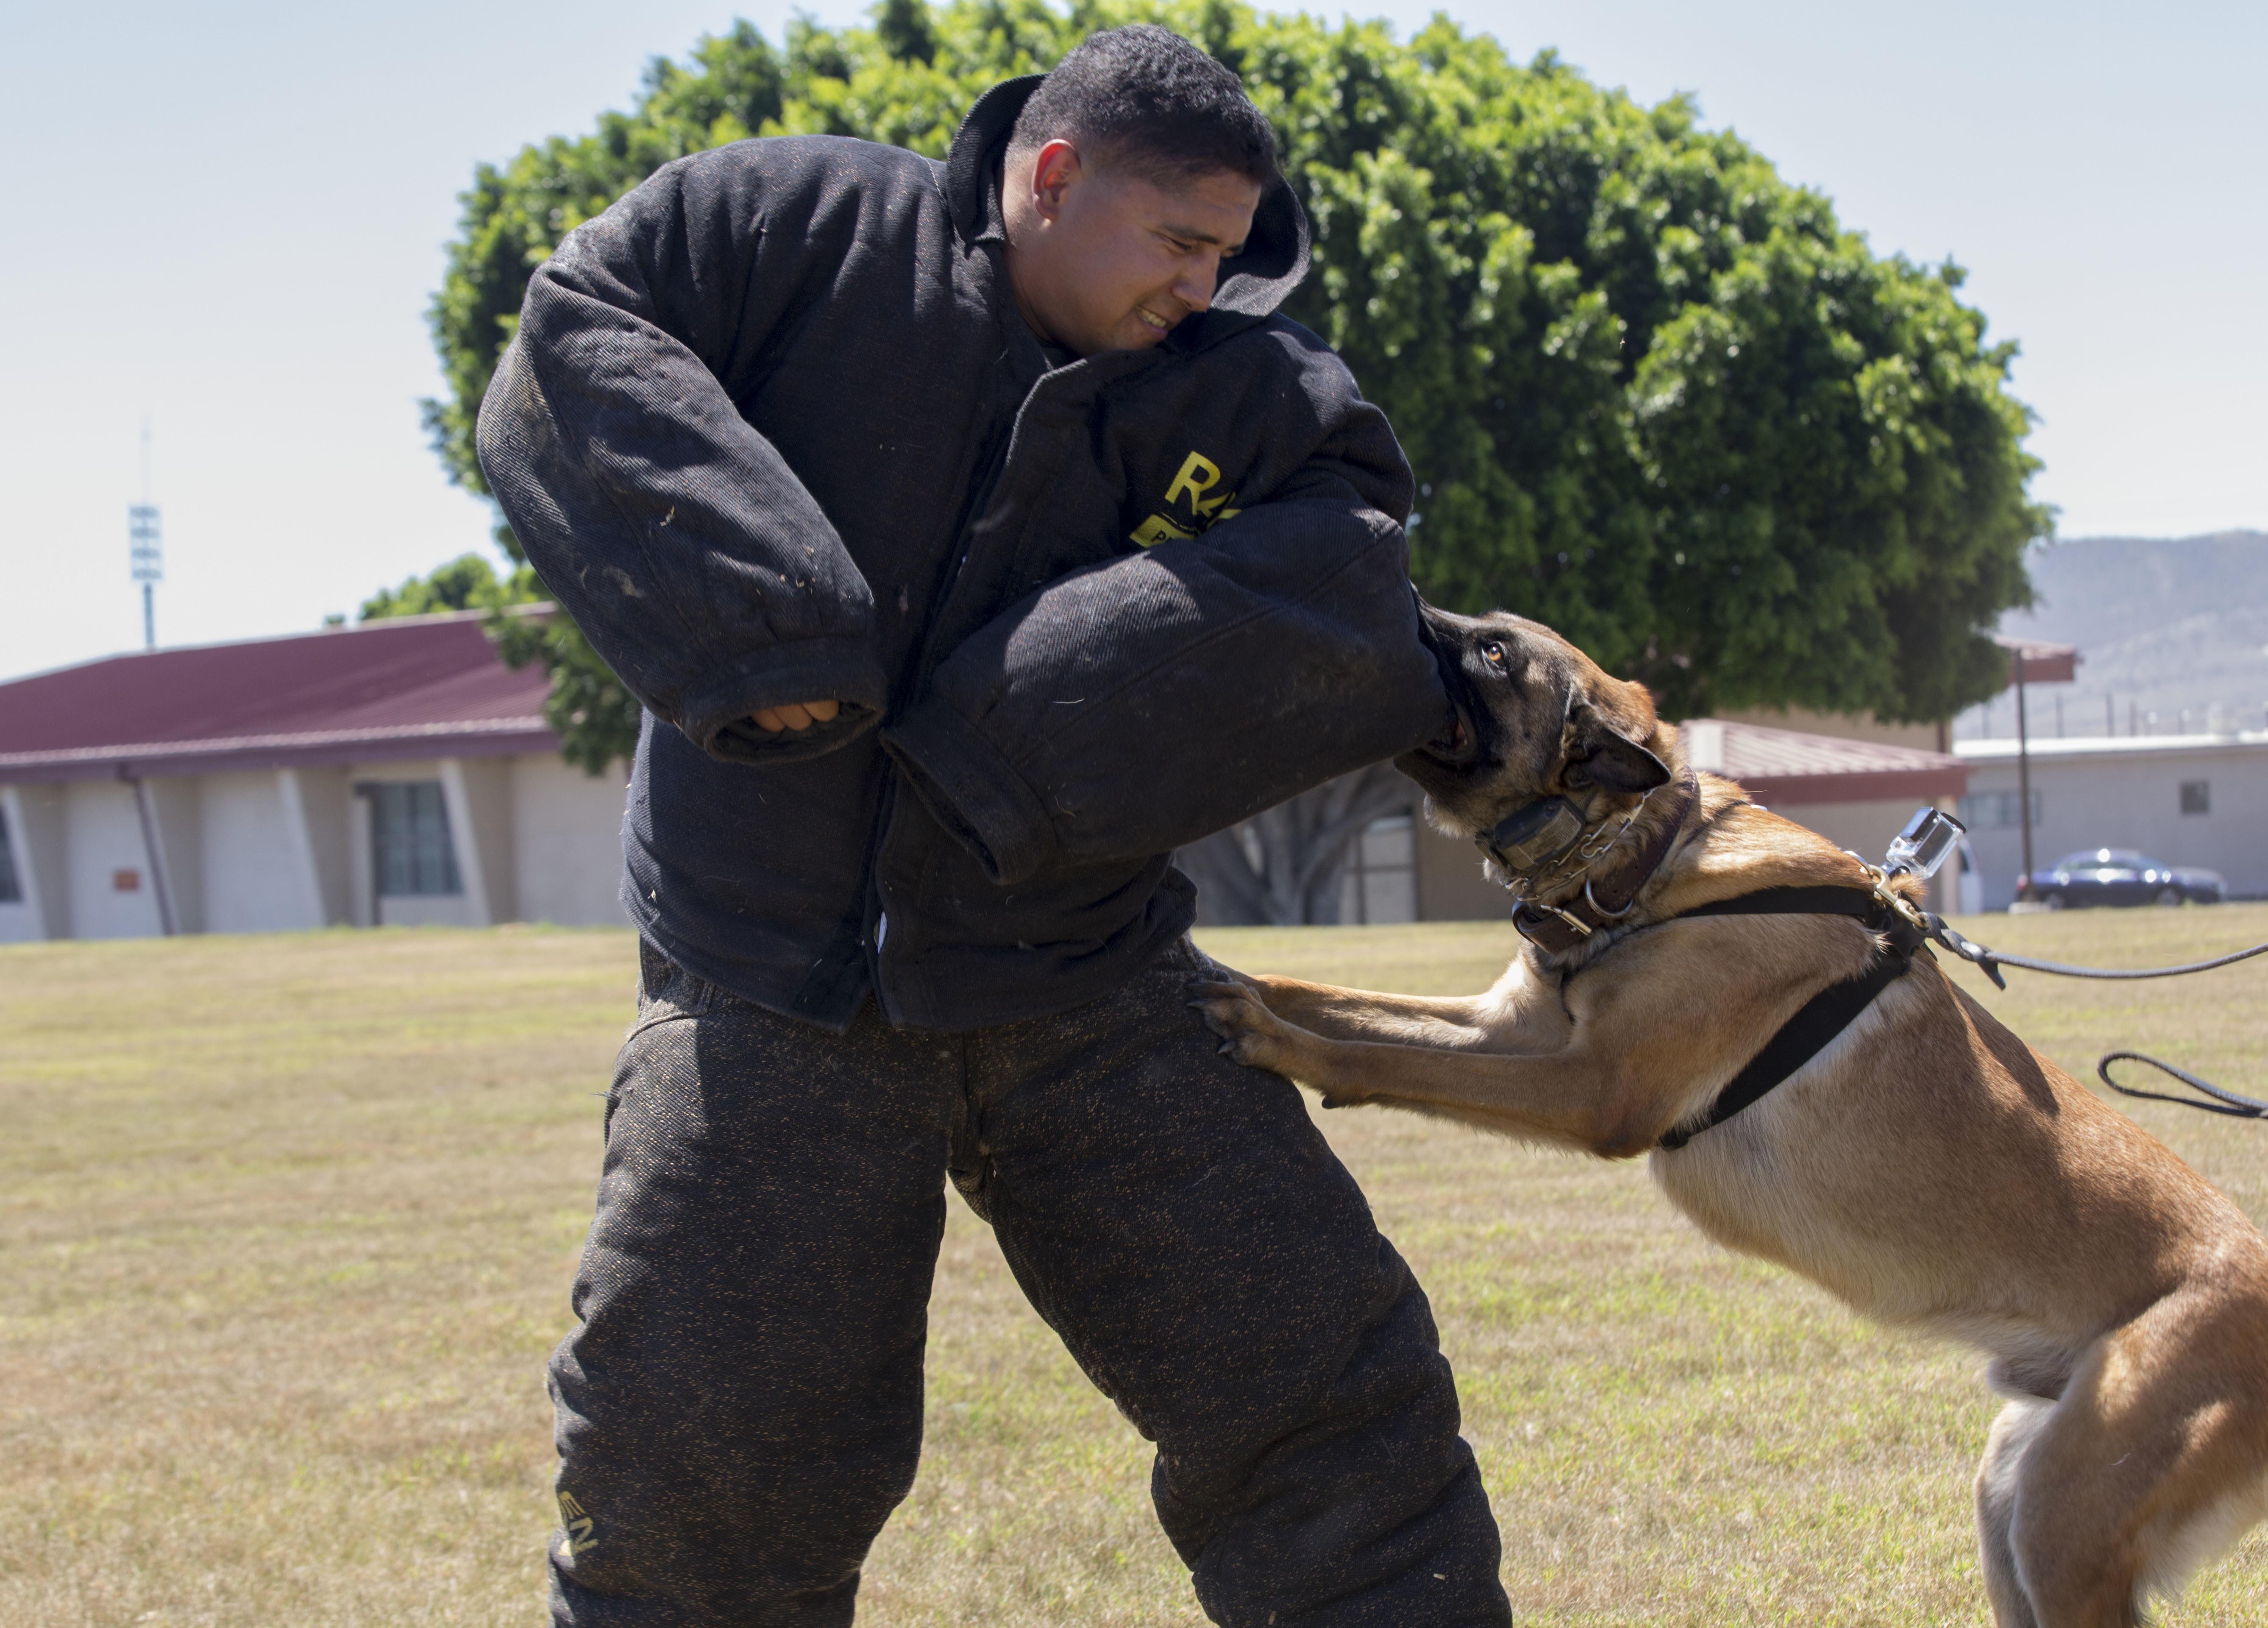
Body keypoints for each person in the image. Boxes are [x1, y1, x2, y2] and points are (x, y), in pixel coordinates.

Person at [476, 25, 1508, 1627]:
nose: (1201, 287)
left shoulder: (1246, 391)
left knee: (1335, 1418)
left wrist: (1022, 743)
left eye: (1228, 255)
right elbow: (578, 330)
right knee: (695, 1501)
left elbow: (1349, 552)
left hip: (1088, 984)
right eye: (1176, 243)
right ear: (1050, 174)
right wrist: (767, 636)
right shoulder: (787, 228)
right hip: (768, 988)